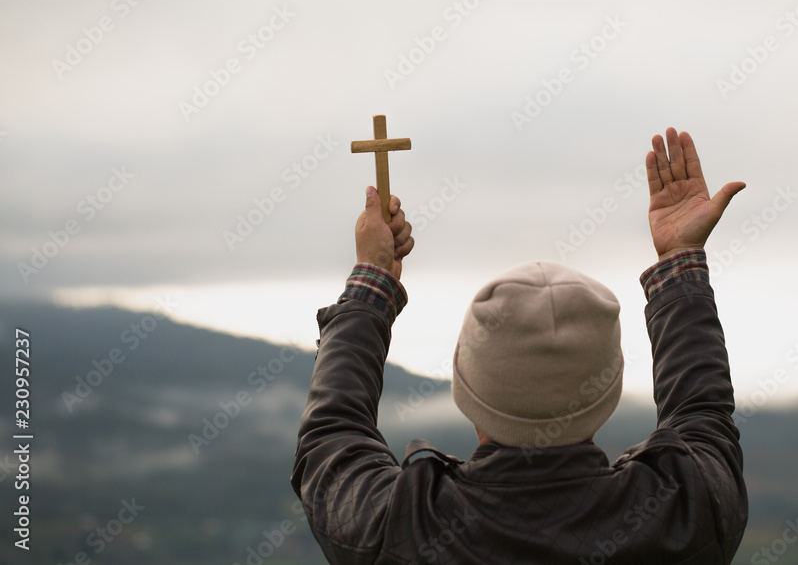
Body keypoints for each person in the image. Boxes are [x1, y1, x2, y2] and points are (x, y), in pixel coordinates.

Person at [291, 127, 748, 564]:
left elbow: (332, 436)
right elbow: (703, 415)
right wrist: (680, 258)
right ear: (607, 391)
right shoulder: (685, 514)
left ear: (466, 387)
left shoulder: (401, 527)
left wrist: (373, 276)